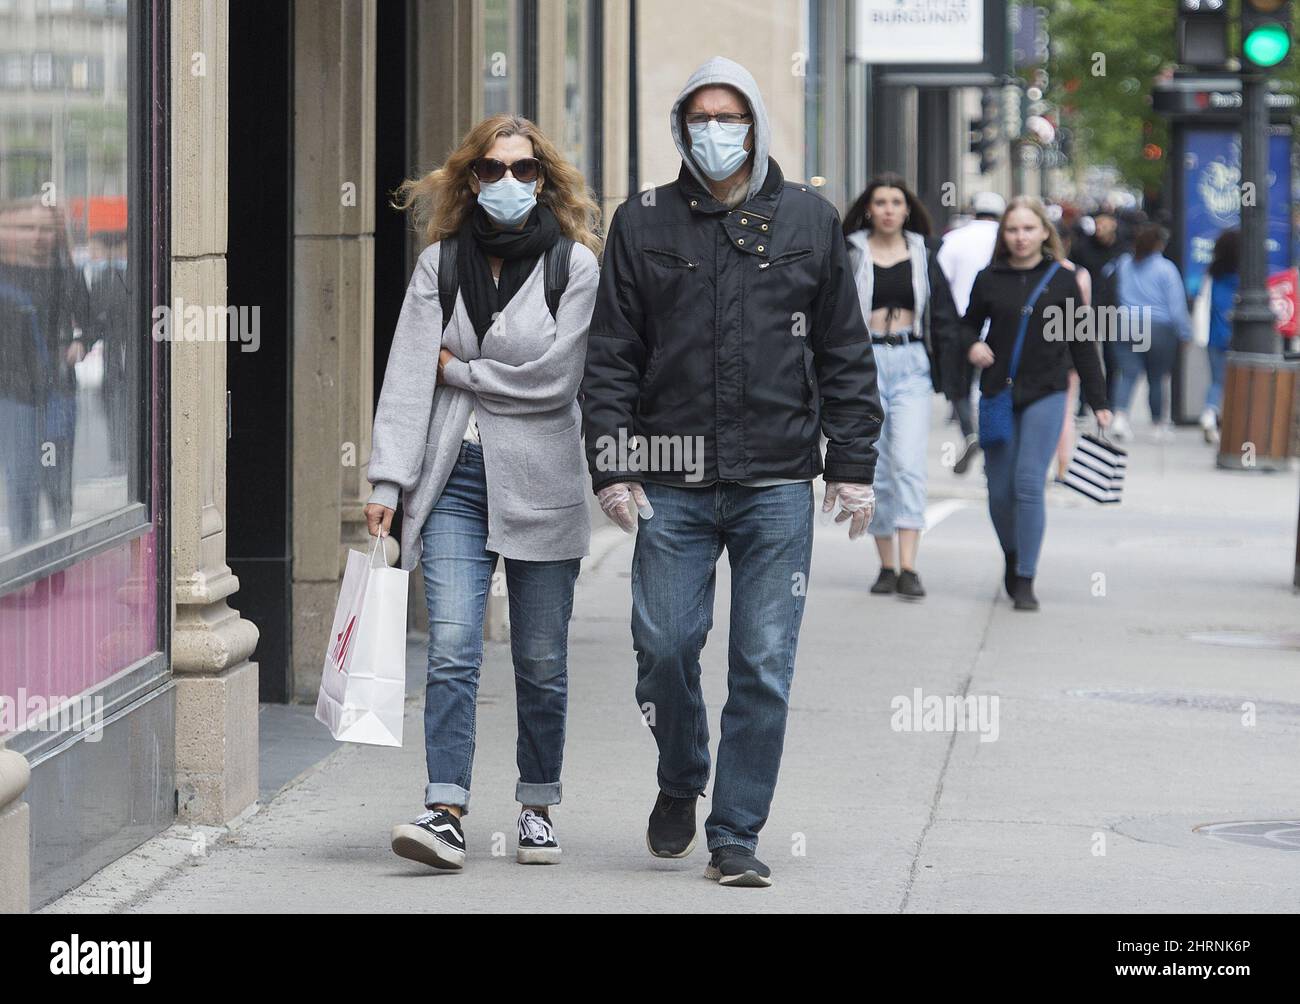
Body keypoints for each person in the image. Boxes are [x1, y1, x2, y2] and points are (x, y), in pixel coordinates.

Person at [582, 56, 882, 888]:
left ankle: (736, 831)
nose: (717, 132)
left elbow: (845, 354)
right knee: (664, 646)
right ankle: (681, 776)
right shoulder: (641, 223)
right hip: (669, 482)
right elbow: (610, 356)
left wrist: (852, 465)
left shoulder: (810, 221)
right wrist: (612, 463)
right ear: (682, 126)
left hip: (777, 482)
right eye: (702, 117)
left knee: (762, 663)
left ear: (755, 123)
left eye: (731, 116)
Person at [365, 114, 601, 871]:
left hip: (544, 482)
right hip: (455, 480)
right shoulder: (440, 263)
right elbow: (408, 371)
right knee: (454, 650)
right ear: (471, 179)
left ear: (545, 181)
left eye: (523, 171)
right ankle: (445, 809)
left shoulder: (576, 268)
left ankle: (537, 806)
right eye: (493, 170)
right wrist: (386, 480)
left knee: (539, 658)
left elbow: (555, 380)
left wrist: (460, 371)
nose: (508, 183)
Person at [962, 197, 1111, 612]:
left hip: (1047, 390)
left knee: (1029, 484)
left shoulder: (1064, 279)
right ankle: (1012, 553)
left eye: (1029, 229)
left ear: (1045, 232)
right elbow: (965, 327)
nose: (1020, 237)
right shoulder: (988, 277)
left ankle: (1026, 575)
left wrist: (1099, 400)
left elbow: (1083, 341)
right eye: (1013, 230)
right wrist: (972, 345)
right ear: (1003, 234)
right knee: (998, 491)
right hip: (998, 392)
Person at [843, 173, 961, 599]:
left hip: (911, 363)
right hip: (865, 363)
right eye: (880, 202)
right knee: (876, 467)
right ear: (869, 209)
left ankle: (909, 566)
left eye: (896, 202)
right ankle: (886, 564)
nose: (889, 209)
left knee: (909, 464)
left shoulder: (924, 251)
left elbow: (944, 314)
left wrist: (954, 375)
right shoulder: (851, 251)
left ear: (907, 209)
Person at [937, 191, 1005, 475]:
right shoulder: (1007, 238)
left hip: (962, 324)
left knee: (959, 386)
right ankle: (991, 440)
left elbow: (939, 281)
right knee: (995, 386)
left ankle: (969, 432)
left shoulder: (955, 239)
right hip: (1000, 323)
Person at [1111, 223, 1191, 442]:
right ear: (1159, 244)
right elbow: (1176, 305)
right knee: (1157, 378)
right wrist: (1185, 332)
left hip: (1126, 323)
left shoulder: (1124, 263)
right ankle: (1157, 424)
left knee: (1127, 374)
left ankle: (1119, 416)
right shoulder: (1166, 268)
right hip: (1158, 326)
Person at [1072, 208, 1125, 406]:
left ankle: (1108, 398)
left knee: (1111, 358)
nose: (1100, 229)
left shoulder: (1121, 250)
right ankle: (1084, 401)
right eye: (1098, 225)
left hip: (1112, 308)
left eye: (1105, 225)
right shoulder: (1083, 248)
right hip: (1086, 307)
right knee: (1086, 355)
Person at [1200, 228, 1239, 444]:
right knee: (1236, 384)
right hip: (1237, 336)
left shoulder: (1214, 274)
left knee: (1217, 381)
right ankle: (1225, 420)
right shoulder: (1244, 276)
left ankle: (1210, 413)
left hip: (1214, 334)